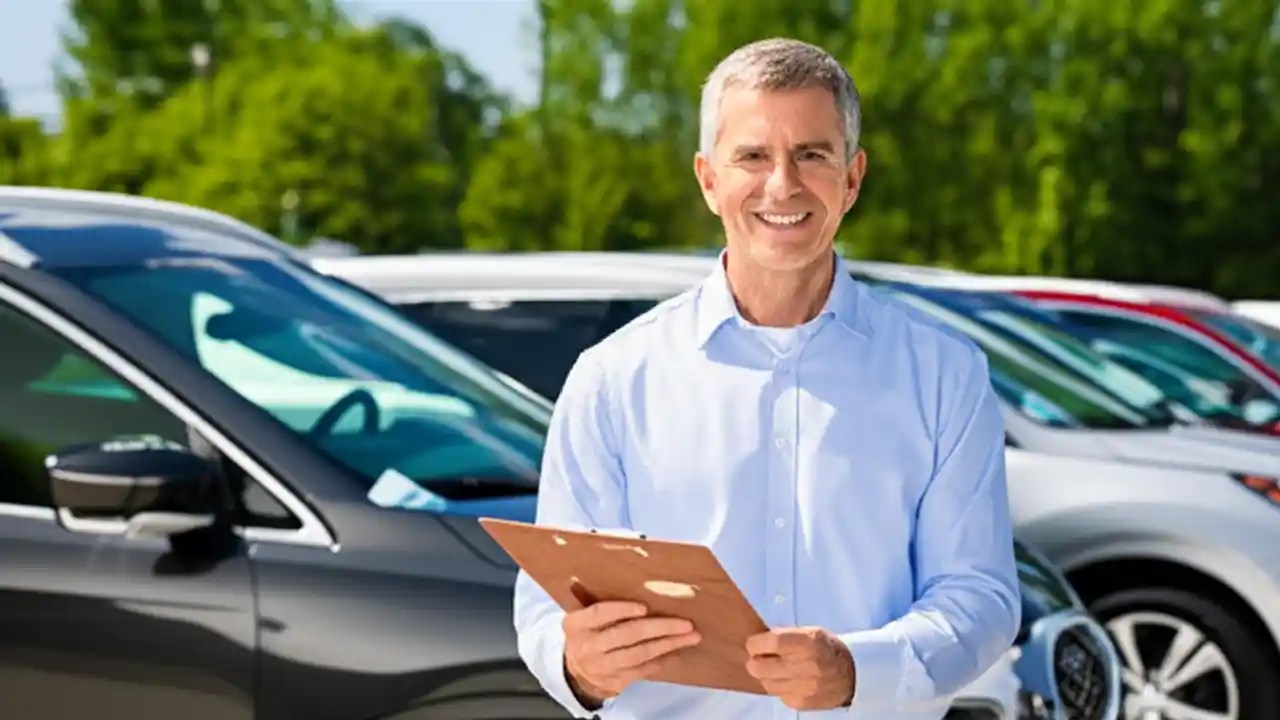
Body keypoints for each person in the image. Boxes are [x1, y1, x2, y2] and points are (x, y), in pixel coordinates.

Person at [513, 37, 1020, 719]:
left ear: (853, 176)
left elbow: (980, 597)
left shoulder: (943, 375)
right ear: (707, 178)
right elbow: (546, 611)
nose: (782, 184)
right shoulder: (612, 378)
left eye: (812, 154)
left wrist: (855, 672)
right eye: (752, 156)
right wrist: (578, 667)